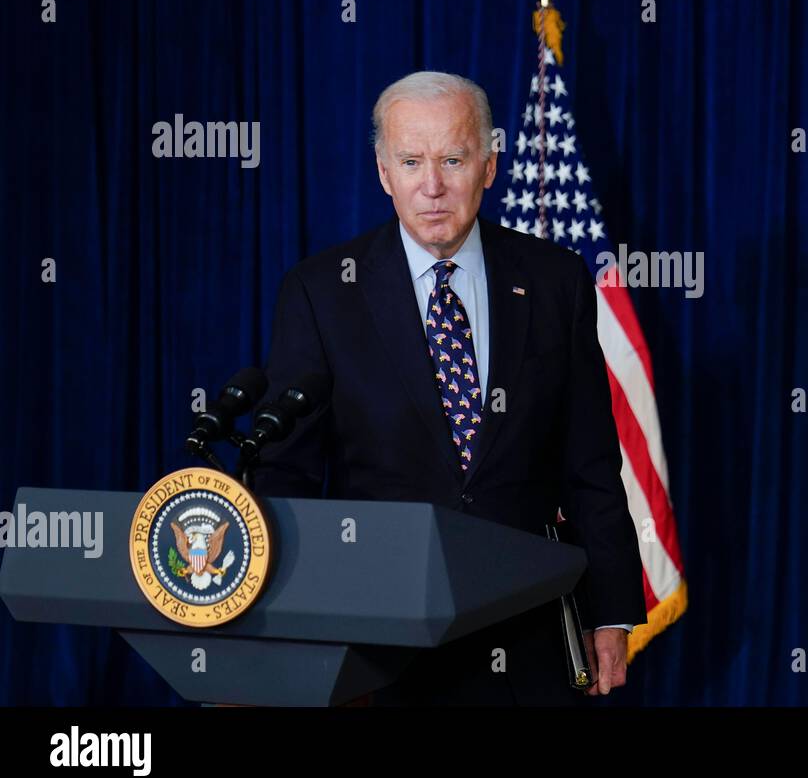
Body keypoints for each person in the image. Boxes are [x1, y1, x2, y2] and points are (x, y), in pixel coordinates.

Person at [252, 71, 646, 704]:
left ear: (489, 165)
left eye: (453, 159)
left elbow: (591, 465)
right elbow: (286, 477)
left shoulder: (555, 281)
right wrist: (297, 617)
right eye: (411, 162)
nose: (431, 186)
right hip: (377, 638)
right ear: (383, 173)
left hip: (529, 628)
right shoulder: (322, 292)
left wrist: (612, 610)